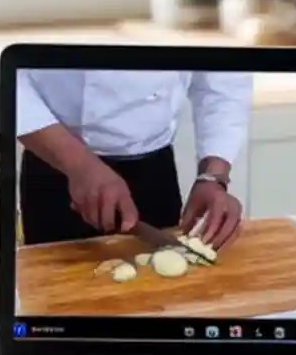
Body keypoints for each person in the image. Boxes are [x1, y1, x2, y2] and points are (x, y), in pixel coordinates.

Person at [16, 69, 252, 249]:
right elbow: (5, 80)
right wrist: (78, 163)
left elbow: (225, 79)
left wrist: (213, 177)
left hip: (155, 173)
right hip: (56, 165)